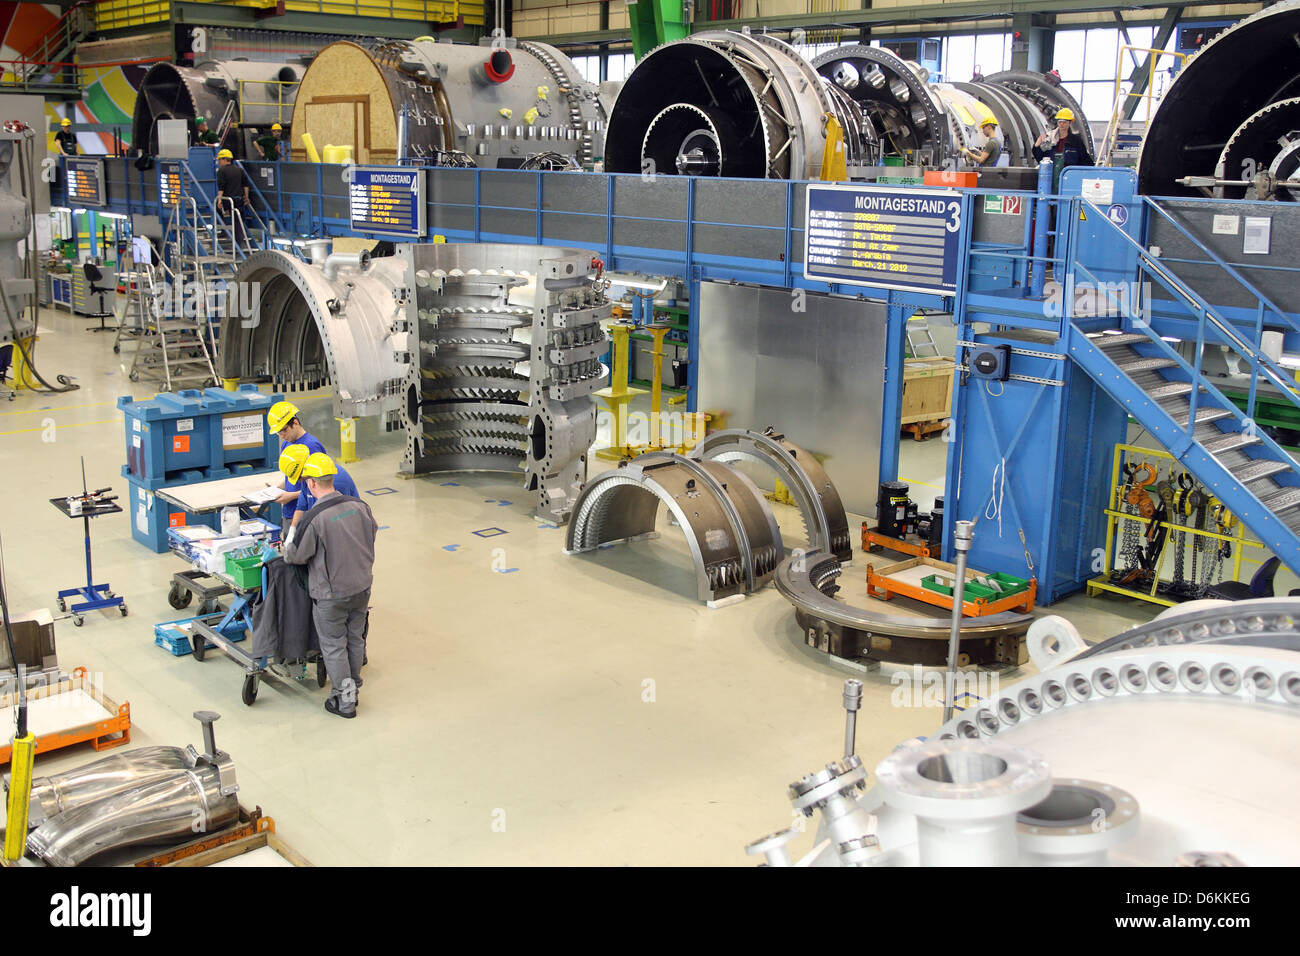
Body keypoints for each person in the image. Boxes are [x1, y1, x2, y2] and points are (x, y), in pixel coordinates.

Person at [282, 453, 377, 718]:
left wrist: (286, 545)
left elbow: (296, 556)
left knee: (334, 645)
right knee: (354, 639)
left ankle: (345, 701)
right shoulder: (360, 506)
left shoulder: (315, 518)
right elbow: (372, 533)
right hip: (361, 586)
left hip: (331, 594)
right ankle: (353, 687)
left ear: (311, 483)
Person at [266, 401, 326, 530]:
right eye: (278, 433)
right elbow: (291, 477)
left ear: (295, 423)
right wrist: (277, 489)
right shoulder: (286, 444)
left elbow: (322, 486)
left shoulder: (312, 446)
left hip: (306, 514)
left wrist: (291, 496)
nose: (282, 436)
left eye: (284, 431)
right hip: (288, 512)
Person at [277, 443, 360, 526]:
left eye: (298, 477)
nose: (299, 481)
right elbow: (301, 507)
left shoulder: (334, 481)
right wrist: (293, 530)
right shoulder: (306, 477)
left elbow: (338, 518)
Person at [1032, 107, 1094, 190]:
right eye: (1060, 122)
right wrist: (1036, 146)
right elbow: (1040, 158)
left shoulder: (1076, 141)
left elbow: (1085, 161)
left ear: (1070, 123)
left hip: (1069, 181)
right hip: (1050, 180)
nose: (1061, 124)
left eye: (1064, 122)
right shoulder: (1049, 139)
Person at [215, 148, 252, 249]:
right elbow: (246, 185)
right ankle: (239, 242)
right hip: (239, 199)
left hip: (228, 200)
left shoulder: (222, 171)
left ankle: (223, 230)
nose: (219, 162)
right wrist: (247, 198)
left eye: (219, 160)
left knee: (216, 208)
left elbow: (221, 187)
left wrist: (219, 200)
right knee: (237, 221)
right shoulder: (239, 170)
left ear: (224, 159)